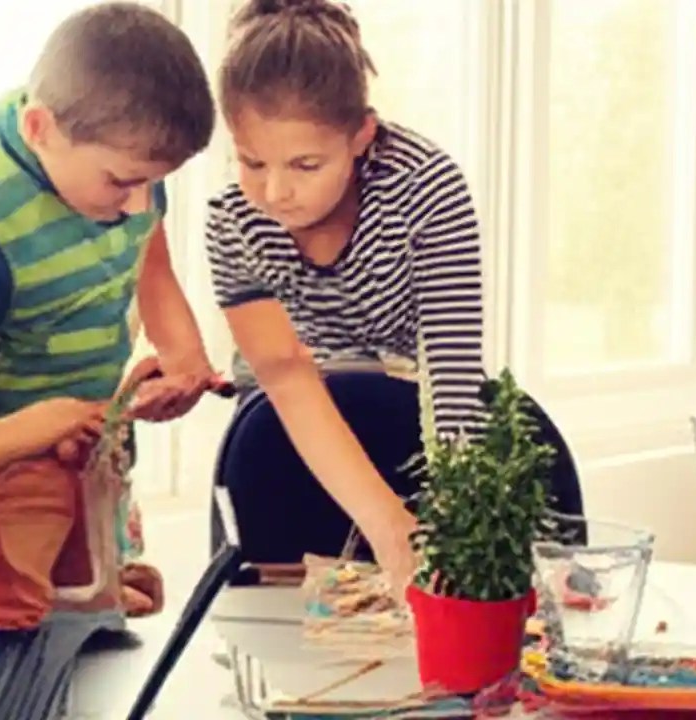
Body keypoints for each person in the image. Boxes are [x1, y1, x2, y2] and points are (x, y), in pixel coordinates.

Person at [205, 0, 486, 592]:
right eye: (251, 161)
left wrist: (458, 531)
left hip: (412, 443)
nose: (275, 192)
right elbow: (284, 375)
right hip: (282, 451)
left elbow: (452, 376)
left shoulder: (427, 190)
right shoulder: (232, 218)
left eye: (306, 165)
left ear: (362, 136)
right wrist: (384, 524)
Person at [0, 2, 217, 624]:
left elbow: (151, 266)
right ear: (39, 128)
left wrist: (185, 360)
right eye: (123, 182)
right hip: (12, 464)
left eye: (156, 181)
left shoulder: (123, 167)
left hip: (80, 449)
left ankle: (88, 586)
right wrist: (40, 426)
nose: (140, 202)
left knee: (98, 610)